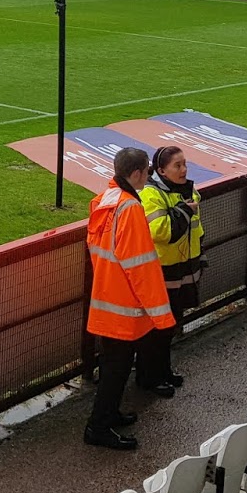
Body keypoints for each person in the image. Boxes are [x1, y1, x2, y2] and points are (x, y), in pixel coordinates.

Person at [83, 147, 176, 451]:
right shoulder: (130, 208)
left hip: (106, 299)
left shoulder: (104, 200)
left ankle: (108, 415)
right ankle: (98, 427)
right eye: (147, 171)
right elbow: (141, 267)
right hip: (125, 306)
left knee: (114, 365)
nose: (148, 176)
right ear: (136, 173)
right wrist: (161, 315)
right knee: (116, 369)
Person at [140, 145, 204, 392]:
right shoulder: (151, 194)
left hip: (182, 270)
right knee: (158, 329)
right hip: (163, 273)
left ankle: (163, 372)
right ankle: (150, 378)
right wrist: (185, 210)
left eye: (184, 164)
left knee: (171, 326)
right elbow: (162, 232)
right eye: (177, 165)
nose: (184, 169)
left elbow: (195, 230)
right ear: (161, 171)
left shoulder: (187, 190)